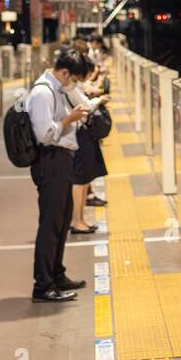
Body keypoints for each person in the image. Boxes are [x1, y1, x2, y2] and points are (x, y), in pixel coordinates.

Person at [26, 50, 89, 303]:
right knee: (50, 224)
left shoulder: (56, 90)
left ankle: (56, 274)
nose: (73, 84)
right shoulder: (43, 93)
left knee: (62, 220)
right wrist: (69, 119)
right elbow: (45, 134)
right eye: (73, 79)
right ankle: (42, 286)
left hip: (61, 160)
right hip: (50, 160)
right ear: (64, 73)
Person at [67, 57, 110, 234]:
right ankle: (76, 221)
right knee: (80, 179)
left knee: (84, 179)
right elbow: (86, 106)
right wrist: (99, 101)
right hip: (78, 134)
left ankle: (80, 219)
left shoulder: (70, 85)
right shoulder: (69, 87)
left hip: (79, 133)